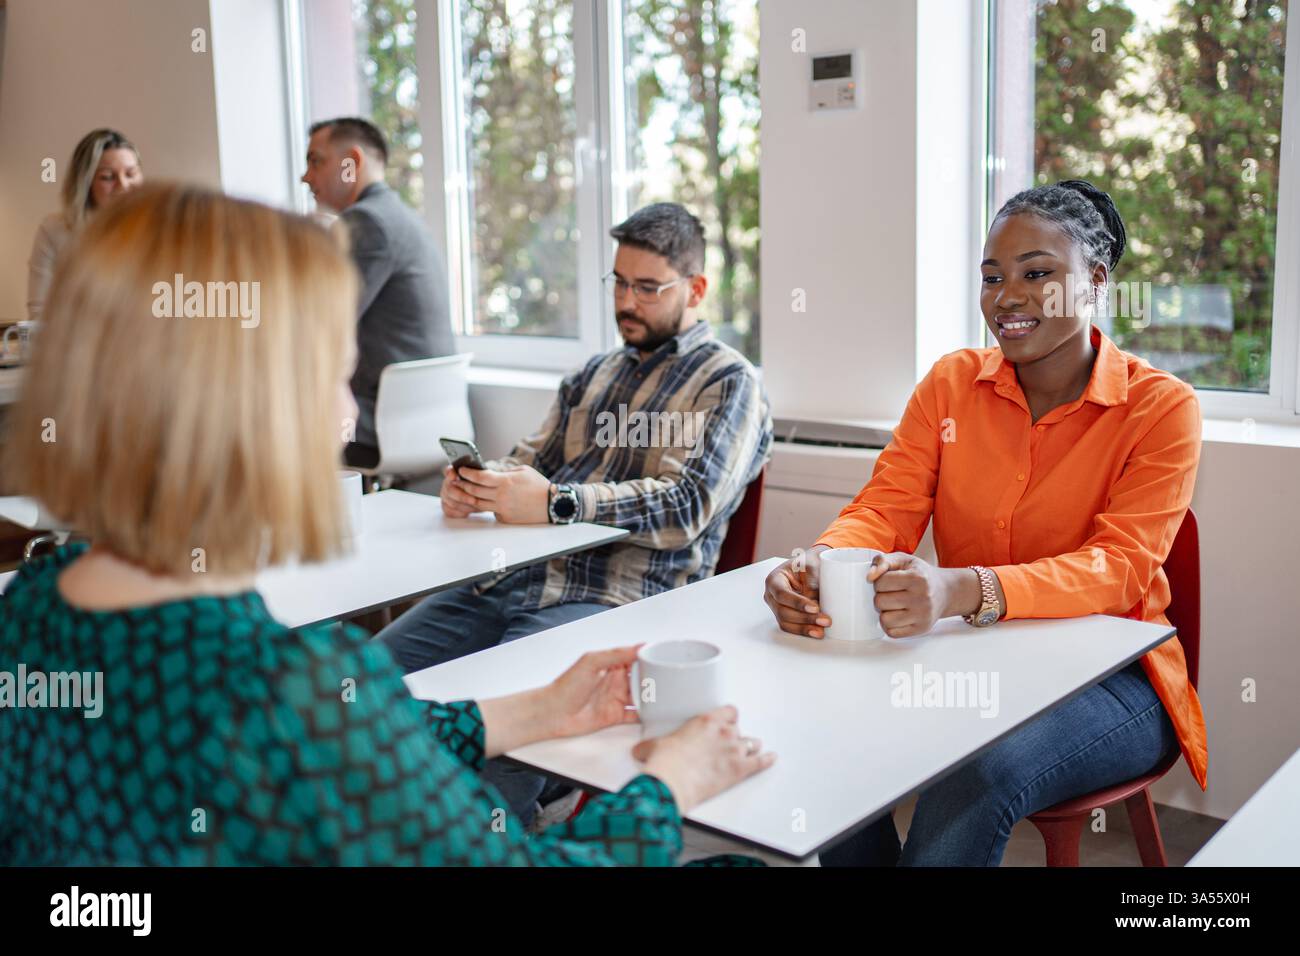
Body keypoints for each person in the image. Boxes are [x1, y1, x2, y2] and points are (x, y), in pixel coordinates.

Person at [0, 183, 775, 866]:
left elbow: (351, 739)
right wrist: (664, 788)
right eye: (337, 376)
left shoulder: (30, 605)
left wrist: (535, 710)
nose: (348, 415)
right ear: (241, 410)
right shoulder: (286, 694)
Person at [763, 180, 1205, 866]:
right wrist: (820, 563)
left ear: (1094, 280)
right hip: (967, 663)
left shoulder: (1161, 408)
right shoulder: (950, 385)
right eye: (992, 276)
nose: (1007, 296)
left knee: (974, 776)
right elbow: (885, 508)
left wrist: (961, 590)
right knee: (826, 731)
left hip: (1117, 681)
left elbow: (1119, 570)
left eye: (1037, 274)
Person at [379, 202, 773, 825]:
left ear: (696, 289)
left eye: (647, 287)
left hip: (614, 600)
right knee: (360, 689)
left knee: (498, 740)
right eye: (618, 282)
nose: (627, 301)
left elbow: (687, 505)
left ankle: (511, 825)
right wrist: (480, 486)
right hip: (508, 581)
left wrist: (557, 502)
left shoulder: (729, 381)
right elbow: (525, 462)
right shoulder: (591, 374)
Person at [301, 116, 456, 468]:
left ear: (351, 163)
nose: (305, 176)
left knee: (255, 428)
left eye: (315, 161)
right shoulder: (399, 215)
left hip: (383, 419)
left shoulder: (368, 222)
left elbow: (319, 321)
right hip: (426, 413)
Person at [26, 128, 143, 322]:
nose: (123, 185)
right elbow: (39, 317)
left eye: (131, 174)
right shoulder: (54, 231)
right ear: (85, 183)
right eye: (107, 177)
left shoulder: (158, 229)